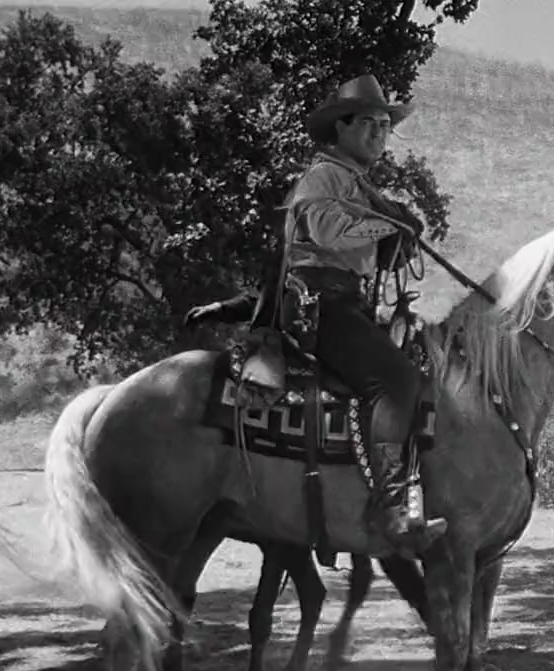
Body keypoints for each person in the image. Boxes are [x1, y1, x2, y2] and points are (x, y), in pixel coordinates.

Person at [186, 75, 445, 554]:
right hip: (322, 306)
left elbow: (372, 250)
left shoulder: (358, 184)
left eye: (385, 125)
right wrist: (388, 222)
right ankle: (391, 507)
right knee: (397, 381)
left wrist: (398, 237)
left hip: (349, 303)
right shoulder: (323, 177)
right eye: (367, 123)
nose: (379, 133)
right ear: (341, 127)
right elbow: (328, 231)